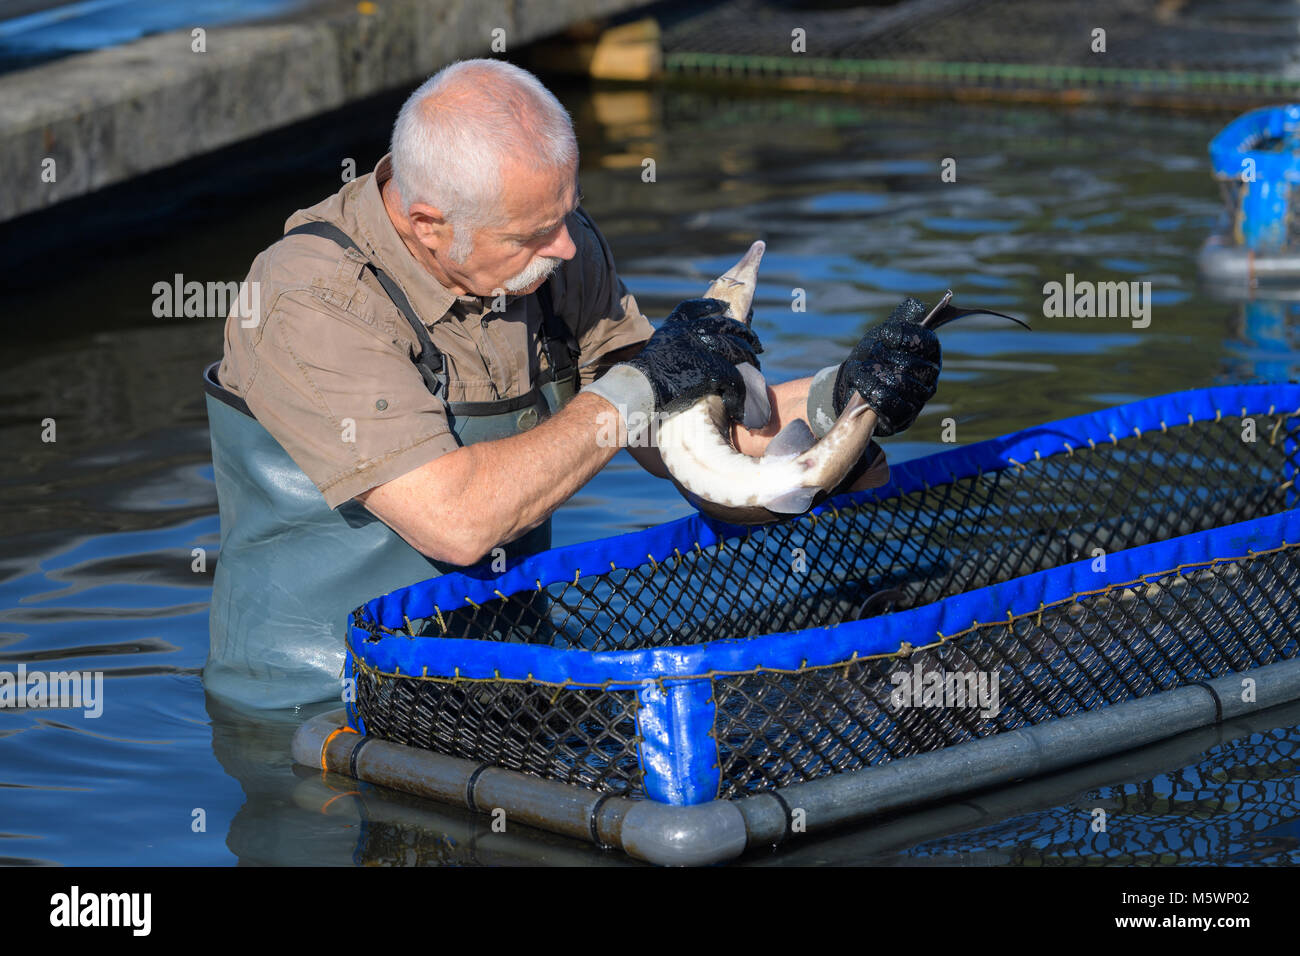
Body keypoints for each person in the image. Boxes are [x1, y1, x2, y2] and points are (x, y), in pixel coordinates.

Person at [202, 59, 939, 710]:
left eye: (566, 211)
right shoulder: (311, 299)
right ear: (429, 225)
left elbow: (687, 436)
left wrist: (841, 398)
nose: (564, 246)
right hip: (319, 707)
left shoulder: (555, 244)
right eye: (530, 235)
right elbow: (456, 522)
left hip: (506, 678)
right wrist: (636, 390)